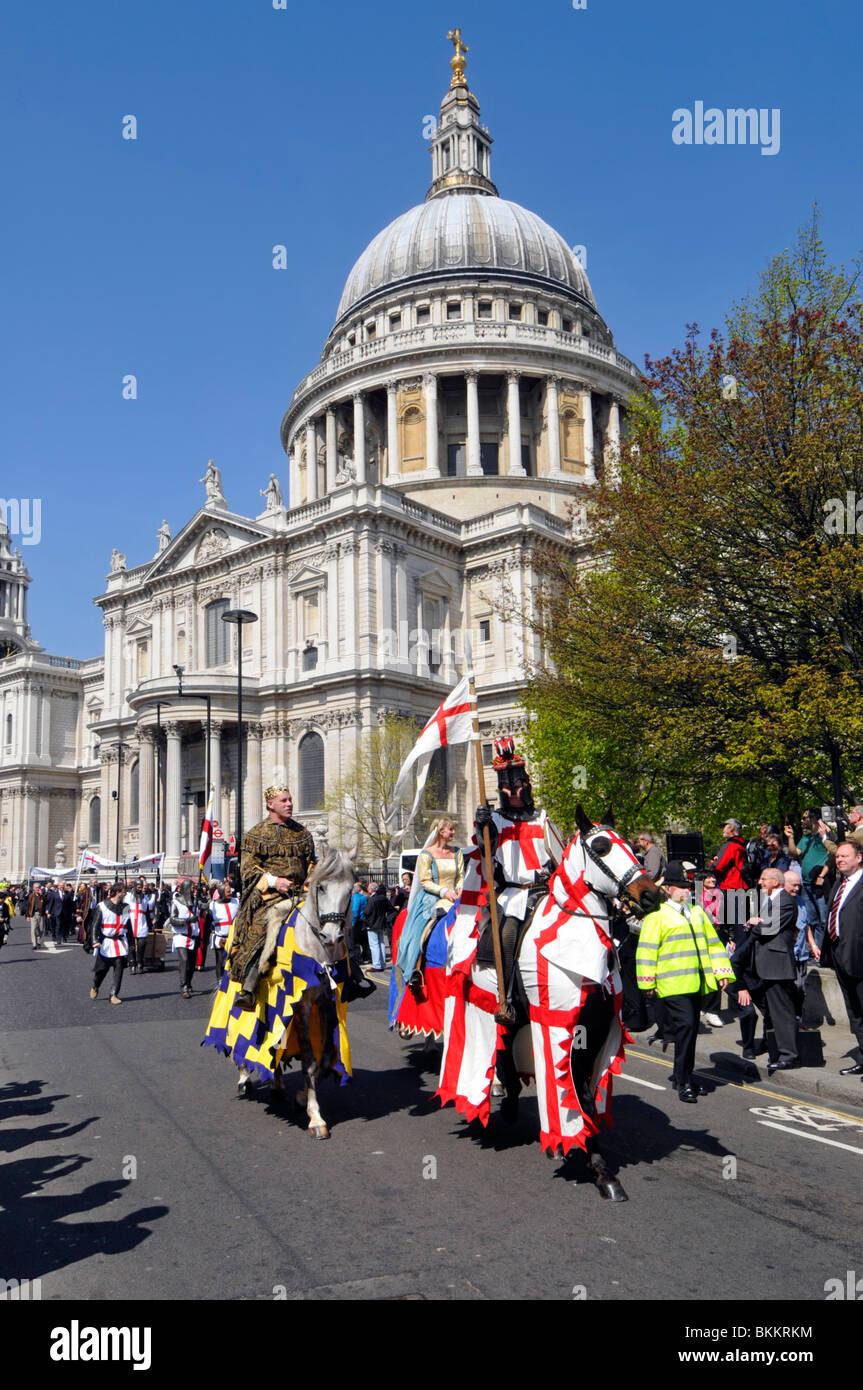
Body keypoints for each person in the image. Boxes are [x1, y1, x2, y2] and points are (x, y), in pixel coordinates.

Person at [474, 739, 563, 1019]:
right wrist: (481, 824)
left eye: (517, 787)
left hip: (543, 891)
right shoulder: (496, 821)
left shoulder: (542, 817)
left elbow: (560, 856)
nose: (512, 793)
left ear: (526, 786)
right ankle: (507, 998)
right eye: (506, 789)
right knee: (508, 935)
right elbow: (483, 847)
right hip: (513, 896)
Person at [636, 860, 734, 1102]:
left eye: (688, 886)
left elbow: (713, 944)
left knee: (688, 1033)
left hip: (696, 983)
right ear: (668, 888)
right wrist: (647, 982)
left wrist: (722, 971)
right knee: (688, 1027)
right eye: (681, 887)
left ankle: (684, 1075)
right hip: (671, 985)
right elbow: (647, 950)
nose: (686, 890)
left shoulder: (697, 913)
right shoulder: (656, 916)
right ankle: (683, 1081)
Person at [227, 783, 316, 1010]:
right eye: (284, 801)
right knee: (261, 928)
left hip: (303, 892)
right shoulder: (255, 835)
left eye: (290, 800)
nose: (289, 804)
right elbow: (248, 870)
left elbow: (312, 862)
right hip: (270, 896)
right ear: (270, 804)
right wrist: (276, 881)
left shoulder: (302, 833)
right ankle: (249, 986)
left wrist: (311, 876)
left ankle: (349, 972)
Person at [811, 840, 863, 1077]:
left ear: (858, 857)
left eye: (844, 856)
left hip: (859, 957)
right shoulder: (840, 884)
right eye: (838, 857)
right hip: (841, 955)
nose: (839, 860)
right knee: (854, 1012)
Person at [744, 865, 800, 1074]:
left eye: (764, 879)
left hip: (777, 965)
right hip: (766, 965)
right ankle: (775, 1049)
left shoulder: (785, 900)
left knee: (782, 1012)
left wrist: (755, 923)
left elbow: (768, 928)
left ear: (775, 881)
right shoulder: (770, 900)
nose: (760, 882)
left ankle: (789, 1055)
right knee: (772, 1012)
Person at [784, 810, 830, 942]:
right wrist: (790, 837)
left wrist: (822, 875)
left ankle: (823, 952)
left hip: (819, 883)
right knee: (812, 919)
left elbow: (833, 854)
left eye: (804, 818)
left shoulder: (825, 835)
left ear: (813, 818)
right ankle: (815, 949)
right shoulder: (807, 838)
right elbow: (794, 853)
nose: (802, 821)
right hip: (806, 883)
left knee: (823, 919)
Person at [88, 882, 131, 1004]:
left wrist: (132, 943)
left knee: (119, 967)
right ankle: (96, 986)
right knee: (102, 970)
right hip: (106, 943)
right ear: (118, 892)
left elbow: (129, 925)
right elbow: (94, 925)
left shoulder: (126, 907)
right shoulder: (102, 906)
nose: (125, 894)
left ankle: (114, 994)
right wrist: (95, 941)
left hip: (120, 942)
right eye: (124, 892)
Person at [708, 819, 749, 947]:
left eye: (724, 826)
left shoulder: (731, 845)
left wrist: (712, 864)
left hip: (732, 887)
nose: (723, 829)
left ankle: (739, 956)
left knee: (734, 924)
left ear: (731, 828)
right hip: (742, 887)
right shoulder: (742, 843)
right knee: (741, 924)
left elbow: (719, 866)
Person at [171, 879, 200, 999]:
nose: (194, 890)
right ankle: (183, 987)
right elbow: (173, 919)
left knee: (192, 964)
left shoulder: (195, 902)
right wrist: (187, 921)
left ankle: (188, 983)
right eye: (192, 888)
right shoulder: (176, 902)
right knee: (185, 960)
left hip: (193, 936)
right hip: (181, 936)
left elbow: (207, 906)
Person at [364, 881, 396, 974]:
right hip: (381, 923)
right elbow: (391, 909)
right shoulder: (383, 898)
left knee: (374, 945)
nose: (368, 889)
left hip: (372, 924)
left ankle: (377, 965)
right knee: (381, 943)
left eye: (369, 888)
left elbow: (366, 912)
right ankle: (382, 963)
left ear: (371, 890)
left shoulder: (372, 899)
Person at [210, 880, 239, 978]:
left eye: (230, 891)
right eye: (228, 892)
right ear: (222, 893)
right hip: (220, 938)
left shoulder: (236, 901)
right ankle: (219, 983)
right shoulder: (213, 905)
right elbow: (207, 922)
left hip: (234, 938)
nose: (231, 893)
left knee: (235, 961)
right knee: (220, 961)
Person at [26, 882, 47, 949]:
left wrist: (41, 895)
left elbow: (47, 902)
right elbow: (28, 906)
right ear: (33, 888)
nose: (37, 889)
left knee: (41, 929)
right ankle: (34, 944)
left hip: (41, 914)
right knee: (33, 929)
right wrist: (27, 916)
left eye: (38, 887)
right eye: (36, 887)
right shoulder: (31, 895)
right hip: (33, 914)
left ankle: (38, 941)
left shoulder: (44, 895)